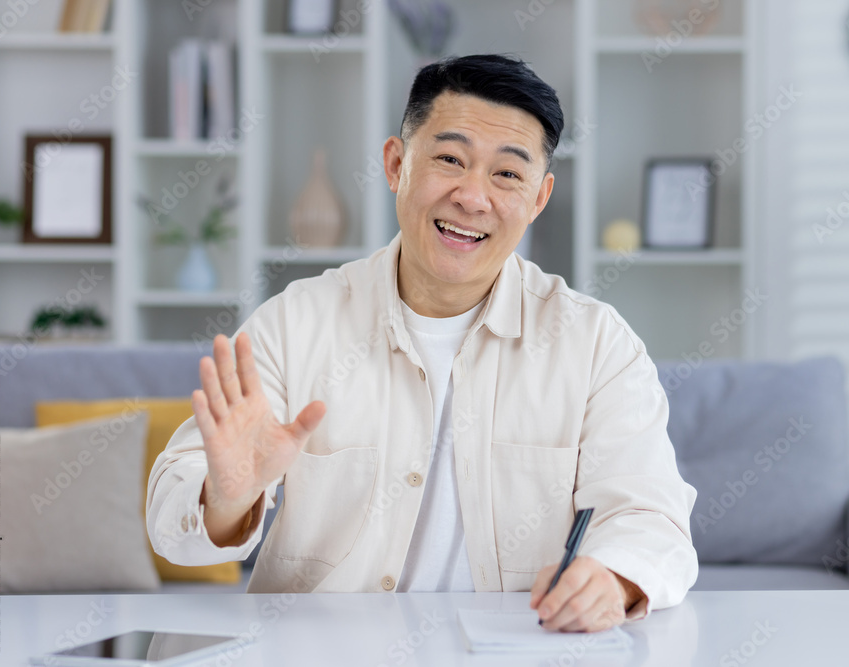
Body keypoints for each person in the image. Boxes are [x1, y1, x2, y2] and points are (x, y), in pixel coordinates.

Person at [147, 54, 697, 633]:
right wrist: (228, 497)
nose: (472, 197)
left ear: (539, 198)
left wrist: (613, 577)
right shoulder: (294, 324)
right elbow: (171, 531)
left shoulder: (594, 342)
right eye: (450, 159)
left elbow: (650, 515)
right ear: (395, 164)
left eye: (507, 174)